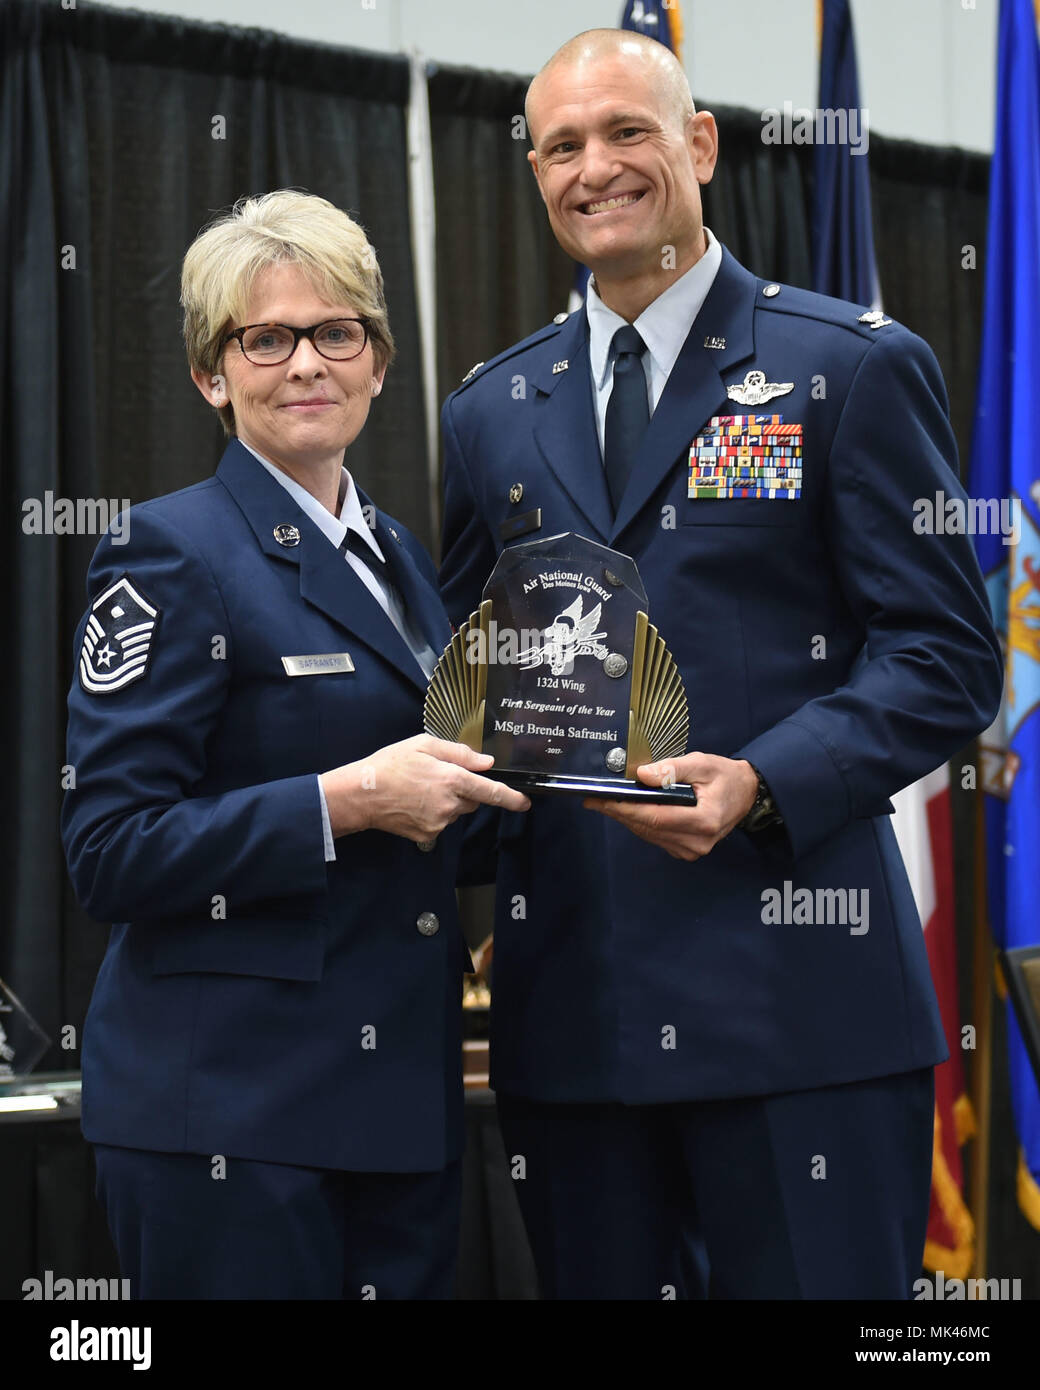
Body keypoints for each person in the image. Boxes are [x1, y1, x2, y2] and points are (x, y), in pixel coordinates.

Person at [438, 31, 1003, 1299]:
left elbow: (949, 654)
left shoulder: (842, 366)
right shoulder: (488, 409)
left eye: (626, 131)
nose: (596, 168)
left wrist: (762, 776)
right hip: (573, 1024)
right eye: (562, 145)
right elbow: (462, 661)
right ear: (534, 173)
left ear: (696, 144)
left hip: (794, 1009)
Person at [61, 189, 528, 1300]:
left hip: (395, 1106)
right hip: (231, 1115)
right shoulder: (168, 549)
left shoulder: (401, 557)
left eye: (335, 332)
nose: (305, 362)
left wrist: (573, 795)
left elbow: (423, 817)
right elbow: (111, 847)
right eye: (263, 339)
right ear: (210, 375)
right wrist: (344, 799)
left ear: (377, 362)